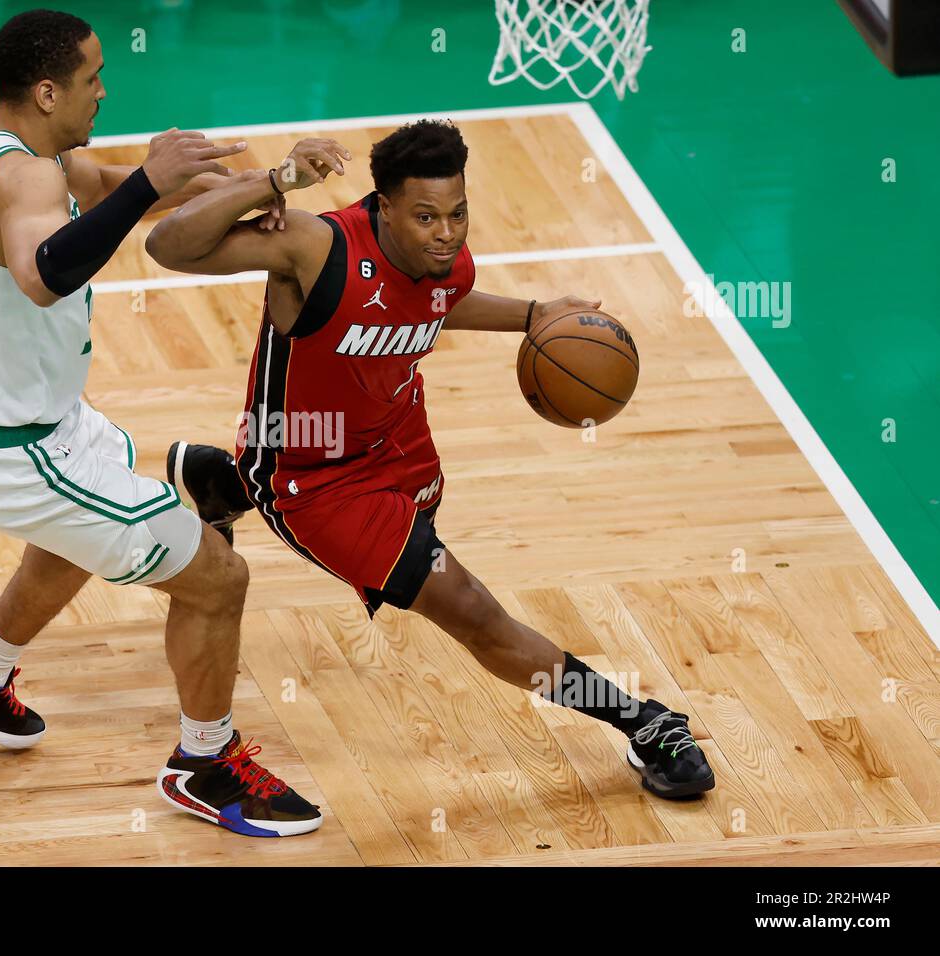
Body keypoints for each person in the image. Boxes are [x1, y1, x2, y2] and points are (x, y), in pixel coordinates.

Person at [146, 120, 715, 800]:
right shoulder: (314, 248)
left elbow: (438, 302)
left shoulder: (449, 261)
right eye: (425, 217)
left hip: (399, 439)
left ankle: (217, 485)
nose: (446, 232)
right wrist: (270, 183)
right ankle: (645, 724)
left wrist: (535, 313)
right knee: (469, 607)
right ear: (383, 208)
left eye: (458, 213)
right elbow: (167, 246)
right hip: (316, 481)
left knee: (437, 565)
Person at [0, 9, 323, 838]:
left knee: (95, 529)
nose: (106, 89)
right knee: (218, 580)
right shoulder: (22, 181)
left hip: (22, 424)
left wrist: (255, 186)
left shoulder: (8, 146)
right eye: (94, 78)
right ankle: (205, 765)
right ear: (47, 89)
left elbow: (96, 191)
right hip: (16, 453)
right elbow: (46, 274)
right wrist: (151, 183)